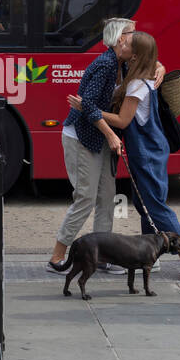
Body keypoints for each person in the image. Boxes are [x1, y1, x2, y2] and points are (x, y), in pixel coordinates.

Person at [89, 31, 180, 281]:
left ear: (136, 55)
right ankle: (151, 254)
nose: (122, 43)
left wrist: (90, 109)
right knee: (144, 204)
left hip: (148, 151)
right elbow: (155, 62)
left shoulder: (138, 84)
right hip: (147, 149)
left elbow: (122, 120)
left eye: (127, 43)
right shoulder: (139, 72)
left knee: (155, 206)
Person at [47, 18, 130, 273]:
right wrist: (111, 135)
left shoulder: (122, 64)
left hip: (99, 138)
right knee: (86, 196)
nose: (137, 37)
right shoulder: (106, 64)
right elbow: (88, 106)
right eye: (133, 33)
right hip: (82, 137)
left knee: (107, 195)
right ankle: (56, 257)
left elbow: (153, 63)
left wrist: (159, 68)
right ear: (120, 39)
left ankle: (103, 256)